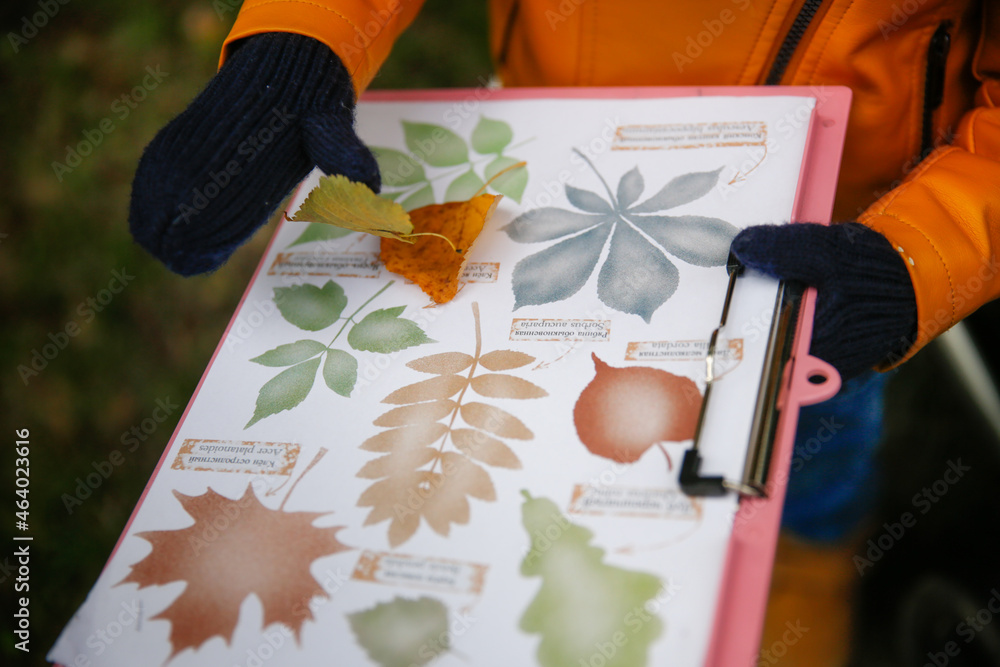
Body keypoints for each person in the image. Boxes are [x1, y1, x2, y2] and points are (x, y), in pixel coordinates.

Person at [128, 2, 1000, 664]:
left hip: (825, 244)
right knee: (535, 471)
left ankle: (806, 569)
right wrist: (303, 37)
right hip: (549, 152)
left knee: (808, 449)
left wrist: (918, 257)